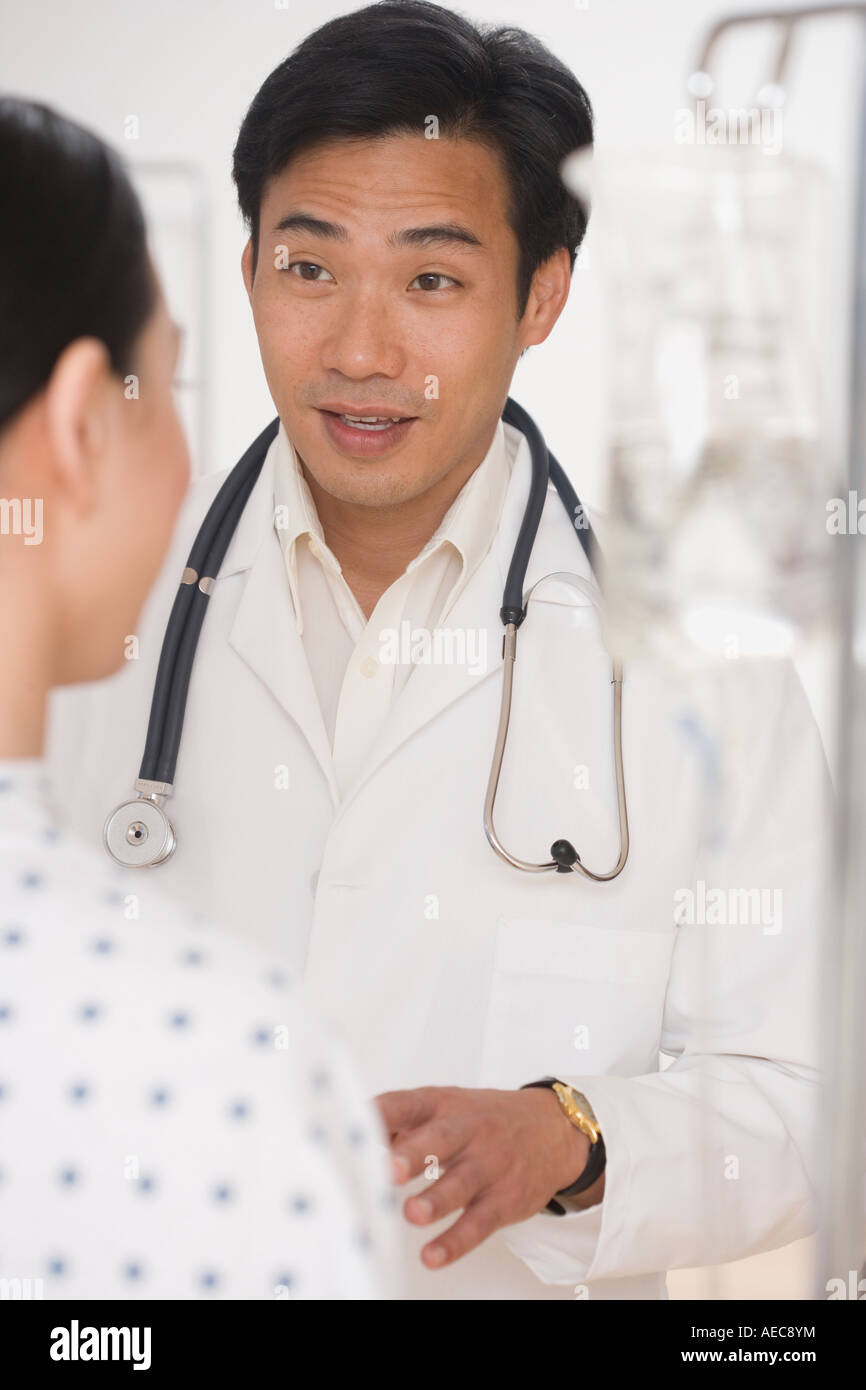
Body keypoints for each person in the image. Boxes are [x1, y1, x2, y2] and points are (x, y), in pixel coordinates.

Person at [46, 1, 833, 1299]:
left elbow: (811, 1098)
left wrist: (576, 1137)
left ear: (540, 297)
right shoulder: (80, 596)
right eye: (309, 268)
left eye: (429, 278)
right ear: (246, 267)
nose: (359, 352)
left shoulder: (702, 653)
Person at [0, 96, 397, 1300]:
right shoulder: (217, 1076)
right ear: (80, 427)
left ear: (541, 298)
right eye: (163, 381)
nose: (362, 350)